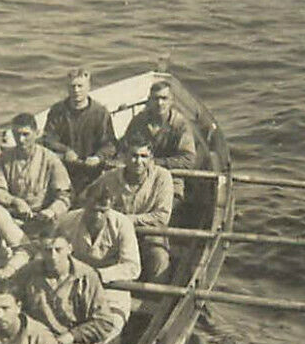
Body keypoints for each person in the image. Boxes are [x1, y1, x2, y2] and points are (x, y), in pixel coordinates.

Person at [14, 229, 122, 344]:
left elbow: (104, 322)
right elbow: (9, 305)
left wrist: (72, 336)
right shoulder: (27, 273)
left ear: (70, 249)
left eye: (58, 250)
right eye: (47, 250)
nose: (53, 256)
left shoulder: (86, 277)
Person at [81, 139, 174, 282]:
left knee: (159, 257)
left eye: (144, 156)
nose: (138, 161)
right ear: (124, 157)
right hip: (117, 234)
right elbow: (86, 197)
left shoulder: (162, 177)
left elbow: (162, 217)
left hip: (148, 235)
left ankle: (157, 299)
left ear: (151, 159)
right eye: (134, 156)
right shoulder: (110, 177)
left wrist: (126, 220)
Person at [55, 184, 141, 320]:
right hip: (73, 284)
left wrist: (98, 275)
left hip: (110, 287)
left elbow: (132, 267)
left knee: (107, 325)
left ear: (110, 208)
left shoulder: (122, 224)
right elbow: (51, 250)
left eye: (102, 211)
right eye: (92, 210)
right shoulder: (67, 221)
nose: (97, 216)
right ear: (84, 205)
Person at [41, 67, 119, 192]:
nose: (76, 90)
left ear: (89, 87)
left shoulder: (100, 113)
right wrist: (66, 151)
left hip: (92, 172)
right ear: (67, 88)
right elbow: (48, 139)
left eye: (80, 86)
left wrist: (98, 157)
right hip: (64, 169)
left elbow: (110, 144)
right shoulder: (57, 111)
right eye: (72, 86)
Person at [0, 112, 72, 229]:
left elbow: (65, 196)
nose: (21, 140)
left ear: (37, 134)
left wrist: (51, 211)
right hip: (13, 218)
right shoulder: (4, 158)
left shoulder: (50, 159)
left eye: (26, 134)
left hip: (44, 219)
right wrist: (15, 201)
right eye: (17, 135)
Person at [119, 78, 198, 198]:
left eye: (164, 98)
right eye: (156, 98)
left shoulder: (180, 125)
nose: (160, 103)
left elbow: (188, 160)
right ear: (149, 101)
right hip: (138, 175)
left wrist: (156, 163)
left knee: (167, 205)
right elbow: (124, 148)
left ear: (172, 101)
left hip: (171, 177)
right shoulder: (138, 121)